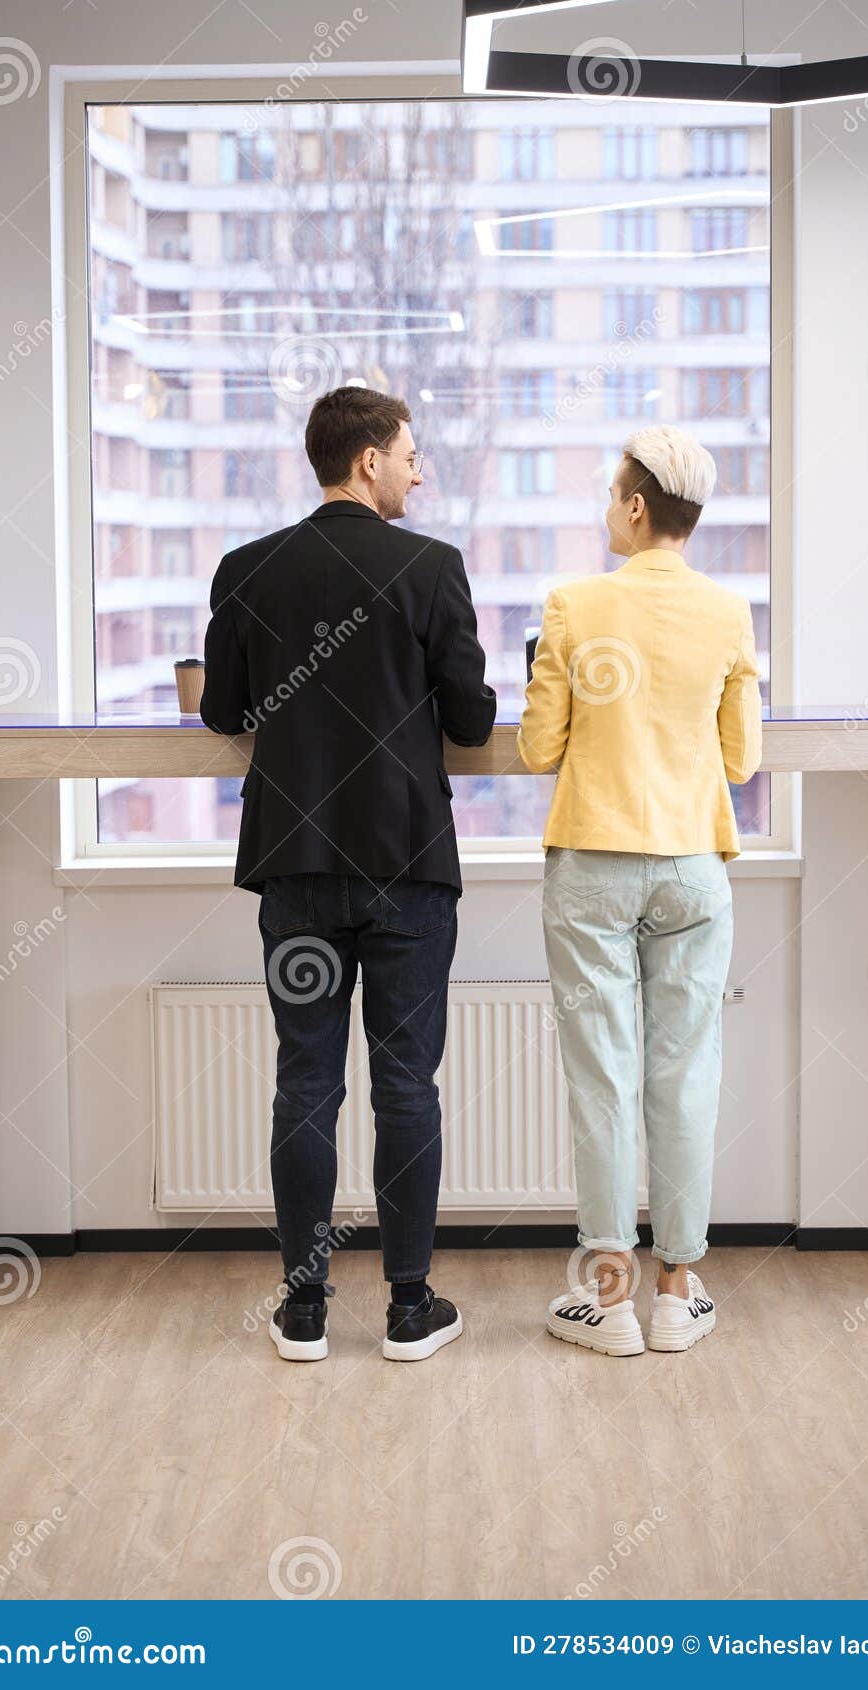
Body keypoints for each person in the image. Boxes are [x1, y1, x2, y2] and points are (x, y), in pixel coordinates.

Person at [199, 386, 496, 1364]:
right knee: (406, 1084)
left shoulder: (248, 571)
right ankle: (409, 1310)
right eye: (411, 453)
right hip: (407, 871)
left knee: (305, 1086)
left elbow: (224, 712)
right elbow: (472, 721)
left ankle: (303, 1311)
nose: (420, 469)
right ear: (368, 459)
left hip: (295, 871)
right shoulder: (430, 569)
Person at [517, 424, 762, 1357]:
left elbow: (540, 749)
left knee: (603, 1078)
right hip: (694, 867)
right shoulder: (730, 613)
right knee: (685, 1073)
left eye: (609, 493)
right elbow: (741, 758)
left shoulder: (574, 605)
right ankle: (677, 1294)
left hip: (593, 863)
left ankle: (609, 1303)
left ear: (633, 506)